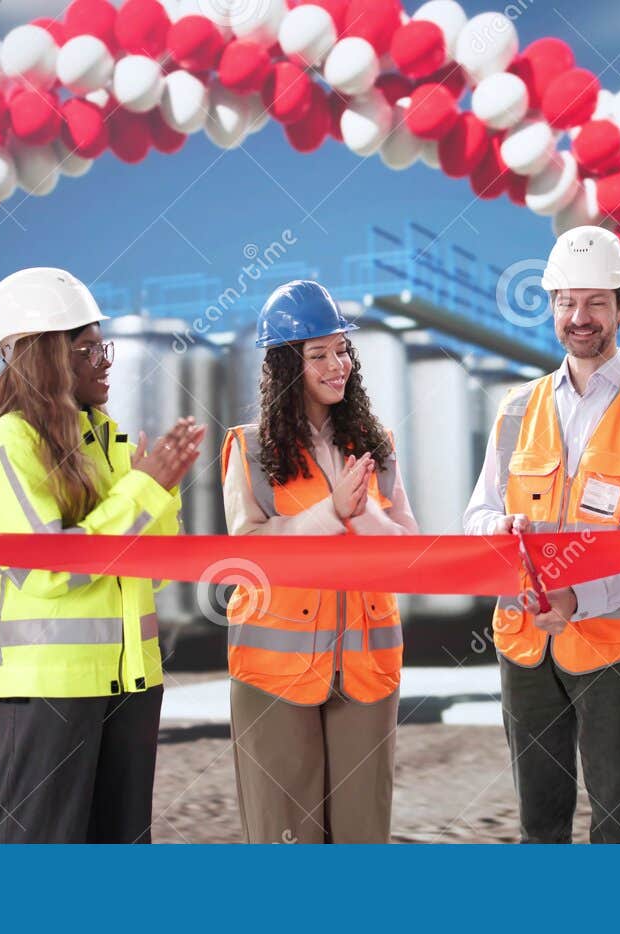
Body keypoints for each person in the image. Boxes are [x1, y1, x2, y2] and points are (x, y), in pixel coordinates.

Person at [464, 226, 620, 844]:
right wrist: (499, 528)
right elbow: (478, 512)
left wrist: (579, 598)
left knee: (619, 819)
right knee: (540, 820)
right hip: (525, 643)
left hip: (616, 644)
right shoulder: (517, 407)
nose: (578, 316)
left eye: (595, 302)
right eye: (566, 301)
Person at [0, 267, 203, 844]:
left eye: (103, 345)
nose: (105, 360)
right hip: (49, 689)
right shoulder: (11, 442)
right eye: (87, 348)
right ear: (42, 356)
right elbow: (50, 567)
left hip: (132, 683)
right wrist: (145, 490)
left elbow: (157, 568)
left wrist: (160, 488)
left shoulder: (107, 438)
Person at [220, 279, 417, 844]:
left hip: (365, 670)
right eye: (319, 354)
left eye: (343, 350)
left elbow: (410, 546)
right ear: (286, 365)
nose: (339, 365)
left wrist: (366, 518)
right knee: (287, 838)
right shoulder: (252, 449)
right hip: (274, 674)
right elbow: (247, 552)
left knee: (361, 836)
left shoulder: (375, 444)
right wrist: (329, 514)